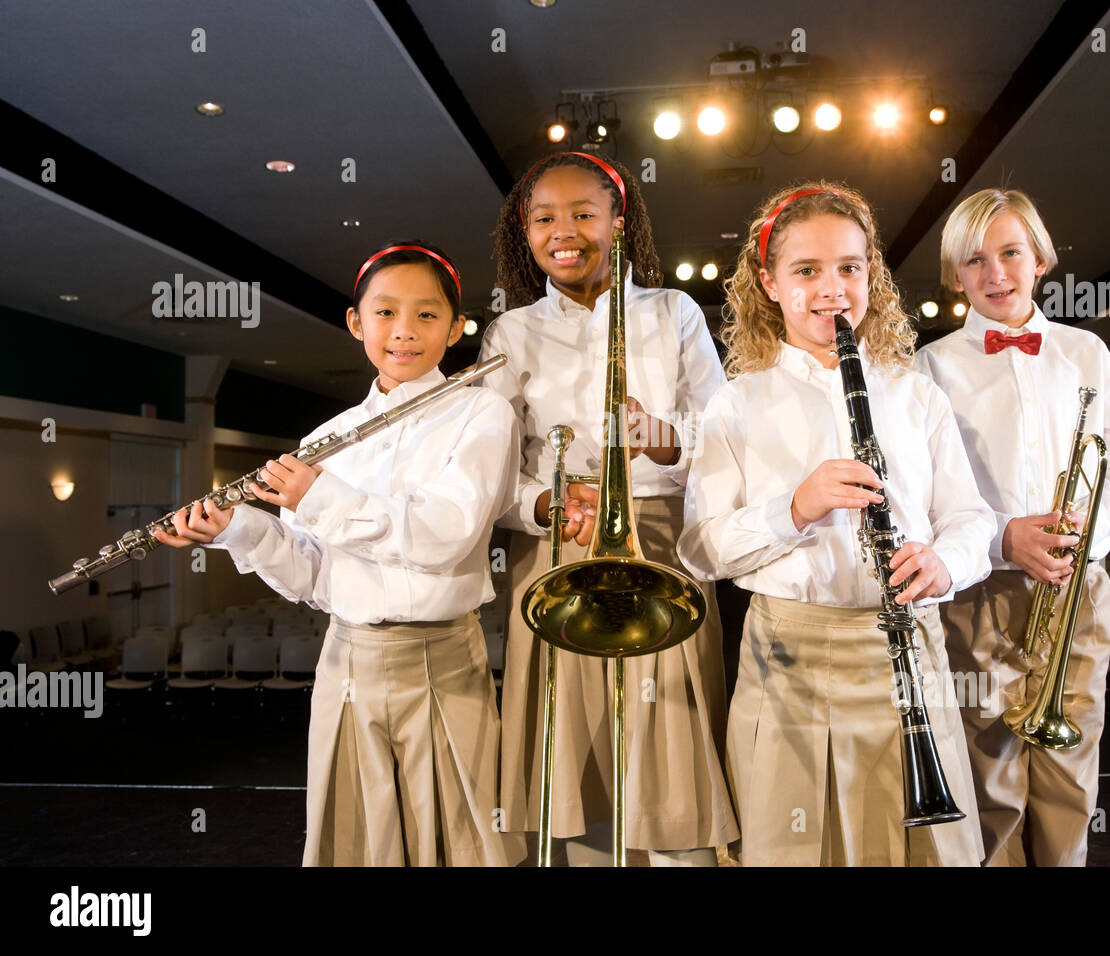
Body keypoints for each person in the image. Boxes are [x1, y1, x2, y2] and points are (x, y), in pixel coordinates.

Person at [156, 241, 524, 867]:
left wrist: (321, 493)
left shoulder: (482, 413)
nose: (404, 331)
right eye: (384, 313)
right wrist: (237, 529)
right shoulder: (325, 439)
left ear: (456, 327)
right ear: (357, 323)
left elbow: (448, 535)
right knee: (357, 842)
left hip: (441, 661)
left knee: (462, 842)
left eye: (427, 315)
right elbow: (312, 576)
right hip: (345, 660)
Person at [678, 182, 993, 865]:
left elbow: (970, 520)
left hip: (907, 648)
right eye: (807, 271)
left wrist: (944, 562)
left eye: (850, 268)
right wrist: (792, 509)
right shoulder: (735, 405)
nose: (833, 289)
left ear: (870, 275)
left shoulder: (915, 393)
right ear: (769, 282)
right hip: (790, 657)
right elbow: (701, 549)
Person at [479, 151, 736, 866]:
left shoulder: (675, 312)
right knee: (574, 755)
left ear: (620, 222)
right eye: (544, 218)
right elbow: (487, 479)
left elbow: (725, 446)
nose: (564, 231)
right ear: (523, 231)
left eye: (584, 214)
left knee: (672, 751)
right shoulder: (511, 334)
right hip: (557, 551)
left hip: (658, 539)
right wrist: (545, 504)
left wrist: (663, 441)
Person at [915, 188, 1110, 866]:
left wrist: (1090, 528)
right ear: (954, 276)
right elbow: (920, 494)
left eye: (1010, 253)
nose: (995, 274)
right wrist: (1001, 536)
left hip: (1078, 591)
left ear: (1041, 259)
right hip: (976, 597)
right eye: (974, 260)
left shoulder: (1086, 352)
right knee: (989, 779)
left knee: (1070, 777)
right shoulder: (929, 368)